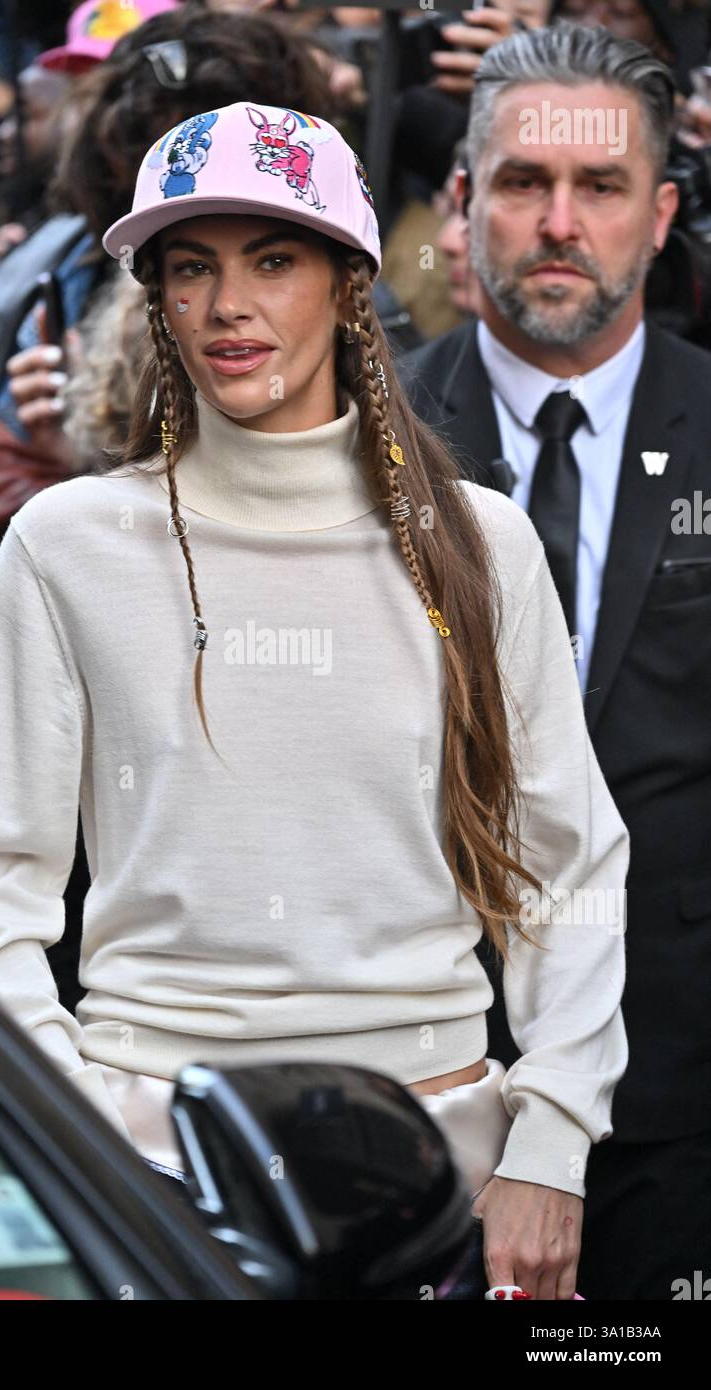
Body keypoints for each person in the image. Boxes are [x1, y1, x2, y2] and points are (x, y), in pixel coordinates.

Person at [0, 100, 629, 1301]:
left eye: (273, 259)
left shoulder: (478, 544)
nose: (224, 305)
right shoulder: (69, 544)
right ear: (155, 298)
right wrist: (72, 1136)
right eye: (189, 268)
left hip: (441, 1176)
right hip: (144, 1177)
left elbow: (564, 867)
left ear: (349, 282)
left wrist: (552, 1141)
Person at [398, 24, 711, 1299]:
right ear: (462, 203)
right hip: (423, 1084)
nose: (558, 222)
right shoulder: (368, 447)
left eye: (600, 187)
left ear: (662, 212)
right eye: (523, 183)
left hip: (681, 1093)